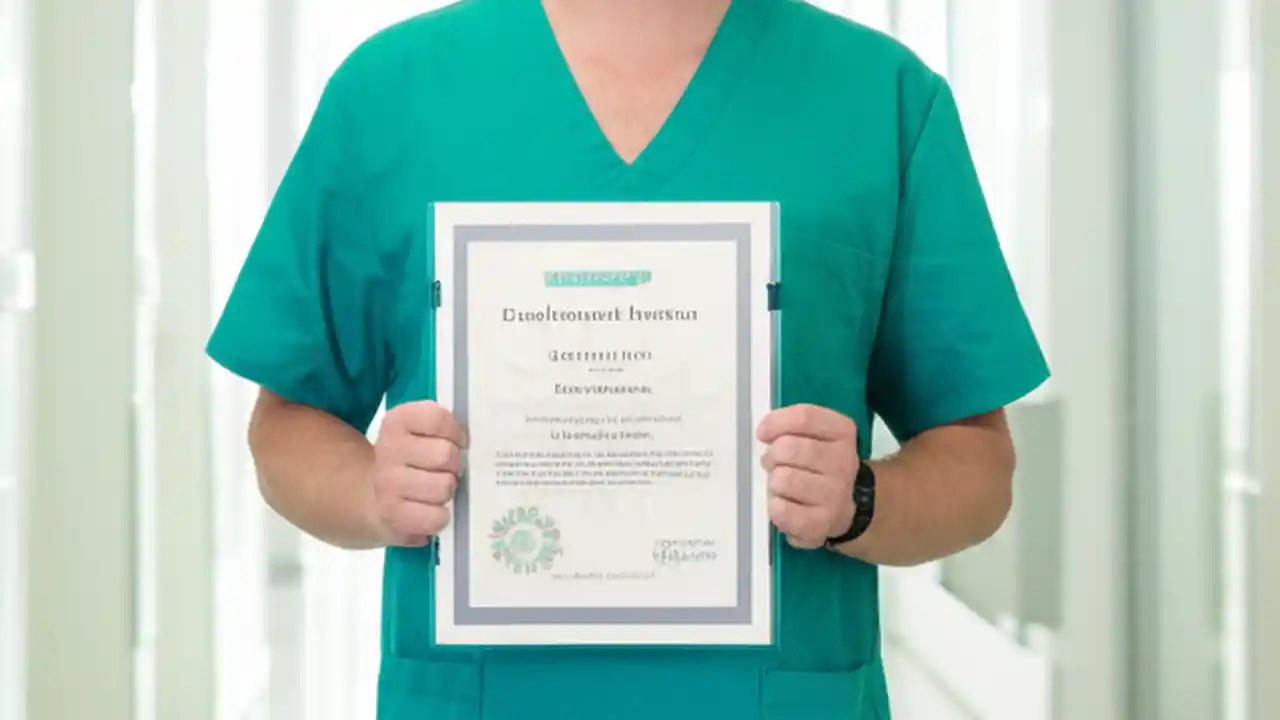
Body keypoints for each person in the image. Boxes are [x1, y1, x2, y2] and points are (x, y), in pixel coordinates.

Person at [207, 0, 1049, 717]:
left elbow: (978, 463)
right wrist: (371, 492)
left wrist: (860, 499)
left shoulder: (878, 97)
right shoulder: (391, 92)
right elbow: (286, 427)